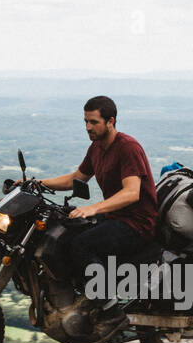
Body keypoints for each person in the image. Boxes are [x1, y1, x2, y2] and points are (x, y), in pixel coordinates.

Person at [39, 96, 159, 326]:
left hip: (138, 223)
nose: (88, 128)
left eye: (93, 122)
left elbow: (132, 192)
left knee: (82, 245)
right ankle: (81, 296)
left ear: (110, 121)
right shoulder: (96, 148)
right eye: (85, 121)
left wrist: (93, 208)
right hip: (116, 217)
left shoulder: (127, 147)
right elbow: (76, 179)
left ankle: (110, 309)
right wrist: (37, 183)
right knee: (67, 231)